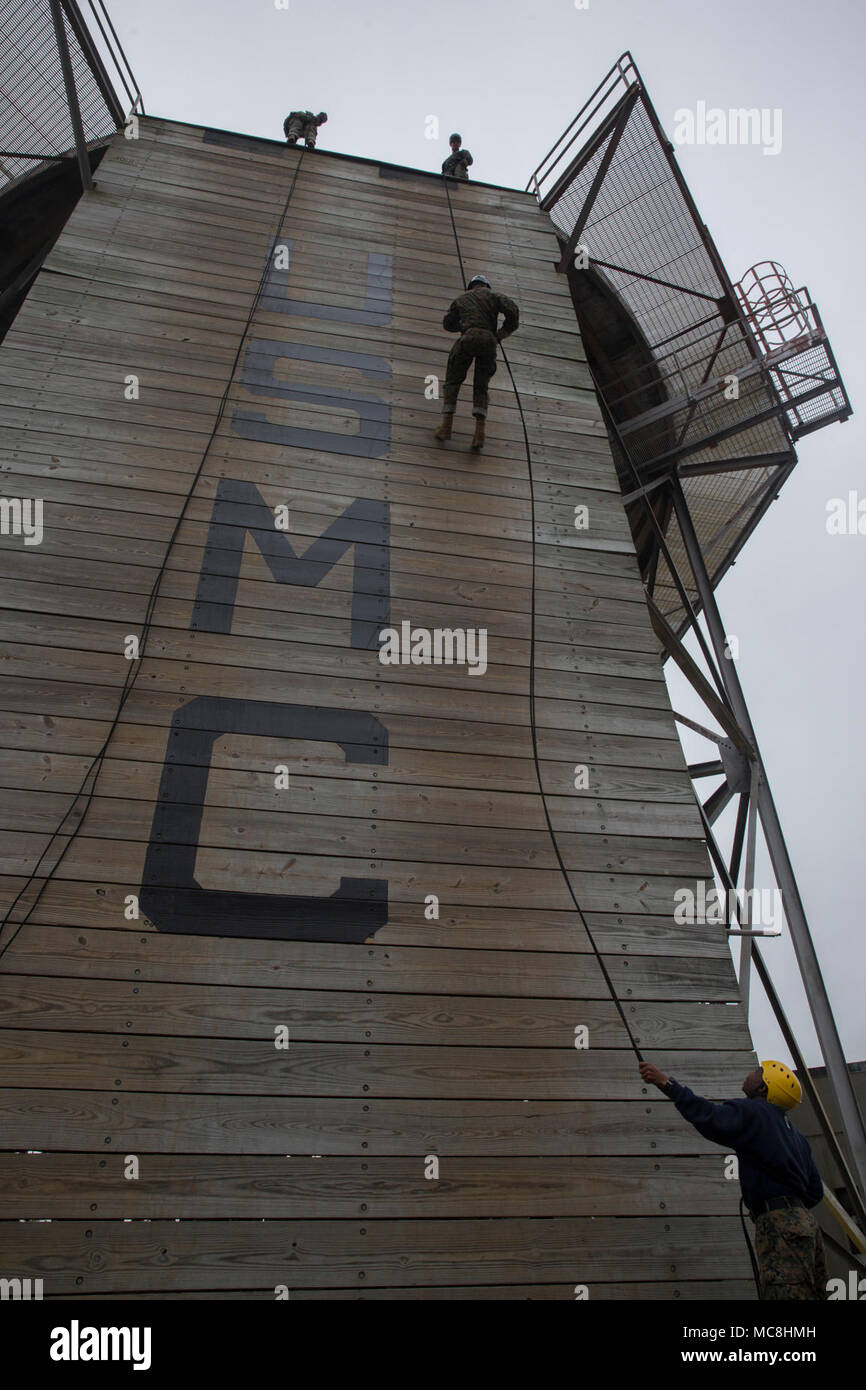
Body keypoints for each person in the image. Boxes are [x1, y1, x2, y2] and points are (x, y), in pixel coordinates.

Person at [639, 1058, 827, 1300]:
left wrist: (666, 1083)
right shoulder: (797, 1137)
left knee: (784, 1292)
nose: (752, 1072)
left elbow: (710, 1116)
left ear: (763, 1088)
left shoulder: (754, 1112)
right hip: (807, 1225)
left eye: (758, 1071)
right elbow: (815, 1192)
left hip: (779, 1224)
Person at [434, 275, 519, 452]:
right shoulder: (495, 296)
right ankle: (479, 434)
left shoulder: (461, 299)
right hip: (489, 340)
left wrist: (465, 325)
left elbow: (448, 324)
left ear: (470, 287)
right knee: (481, 386)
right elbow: (513, 310)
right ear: (486, 286)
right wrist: (501, 334)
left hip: (468, 337)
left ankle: (445, 427)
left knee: (453, 381)